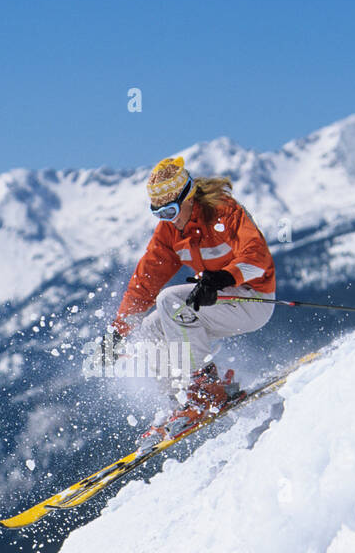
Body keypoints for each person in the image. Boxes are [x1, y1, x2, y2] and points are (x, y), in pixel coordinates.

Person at [110, 155, 276, 452]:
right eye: (159, 213)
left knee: (170, 300)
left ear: (189, 197)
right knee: (150, 328)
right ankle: (181, 398)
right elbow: (146, 278)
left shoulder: (224, 213)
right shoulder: (171, 231)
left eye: (171, 210)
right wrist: (120, 328)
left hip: (253, 300)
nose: (169, 219)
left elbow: (258, 257)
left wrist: (223, 277)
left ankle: (204, 389)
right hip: (219, 302)